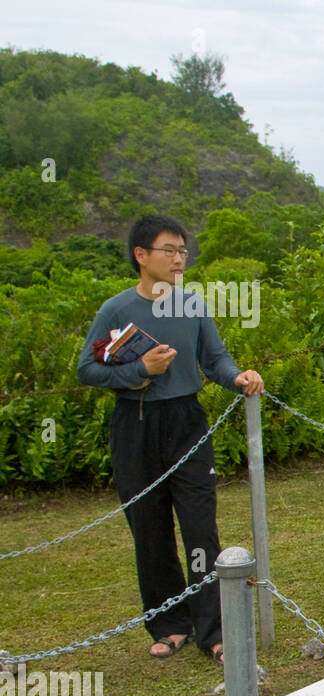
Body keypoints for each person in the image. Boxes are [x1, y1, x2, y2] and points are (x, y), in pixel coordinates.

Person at [76, 214, 264, 663]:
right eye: (170, 250)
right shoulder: (116, 310)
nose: (180, 258)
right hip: (134, 425)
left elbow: (215, 359)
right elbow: (87, 369)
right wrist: (141, 370)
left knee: (201, 528)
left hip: (187, 421)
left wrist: (238, 376)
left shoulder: (194, 306)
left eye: (183, 250)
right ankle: (169, 623)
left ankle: (214, 630)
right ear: (141, 256)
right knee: (150, 530)